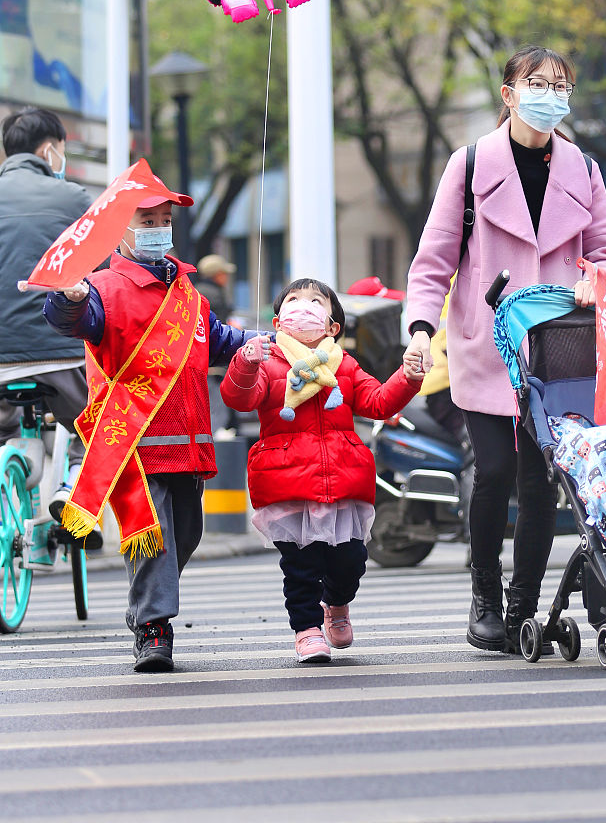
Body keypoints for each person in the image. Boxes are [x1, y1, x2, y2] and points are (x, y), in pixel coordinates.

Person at [403, 44, 606, 654]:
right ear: (509, 93)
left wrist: (594, 279)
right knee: (493, 471)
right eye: (537, 83)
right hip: (486, 343)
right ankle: (485, 596)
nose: (550, 95)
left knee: (539, 484)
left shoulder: (584, 169)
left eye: (560, 85)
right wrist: (421, 328)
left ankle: (524, 608)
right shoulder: (470, 164)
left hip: (559, 346)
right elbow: (434, 260)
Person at [42, 177, 254, 673]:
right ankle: (155, 628)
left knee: (187, 531)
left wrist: (260, 341)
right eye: (146, 221)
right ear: (121, 232)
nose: (158, 229)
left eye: (165, 221)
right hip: (135, 441)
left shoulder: (188, 291)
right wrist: (69, 299)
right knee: (154, 535)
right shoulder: (102, 288)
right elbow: (75, 319)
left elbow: (218, 340)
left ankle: (147, 599)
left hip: (189, 441)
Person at [221, 277, 424, 664]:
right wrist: (244, 363)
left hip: (343, 480)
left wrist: (408, 376)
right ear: (278, 321)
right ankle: (307, 630)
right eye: (294, 299)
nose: (304, 306)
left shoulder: (344, 365)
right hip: (286, 480)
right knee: (299, 566)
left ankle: (338, 602)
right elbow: (240, 398)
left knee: (350, 562)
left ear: (333, 325)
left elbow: (378, 402)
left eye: (316, 300)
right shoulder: (265, 361)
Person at [0, 106, 101, 539]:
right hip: (59, 350)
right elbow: (106, 272)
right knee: (99, 423)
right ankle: (72, 487)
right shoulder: (75, 199)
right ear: (49, 150)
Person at [194, 254, 238, 434]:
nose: (226, 277)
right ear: (217, 275)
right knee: (217, 409)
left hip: (208, 360)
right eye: (224, 273)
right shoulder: (211, 295)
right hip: (213, 364)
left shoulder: (197, 291)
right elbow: (215, 331)